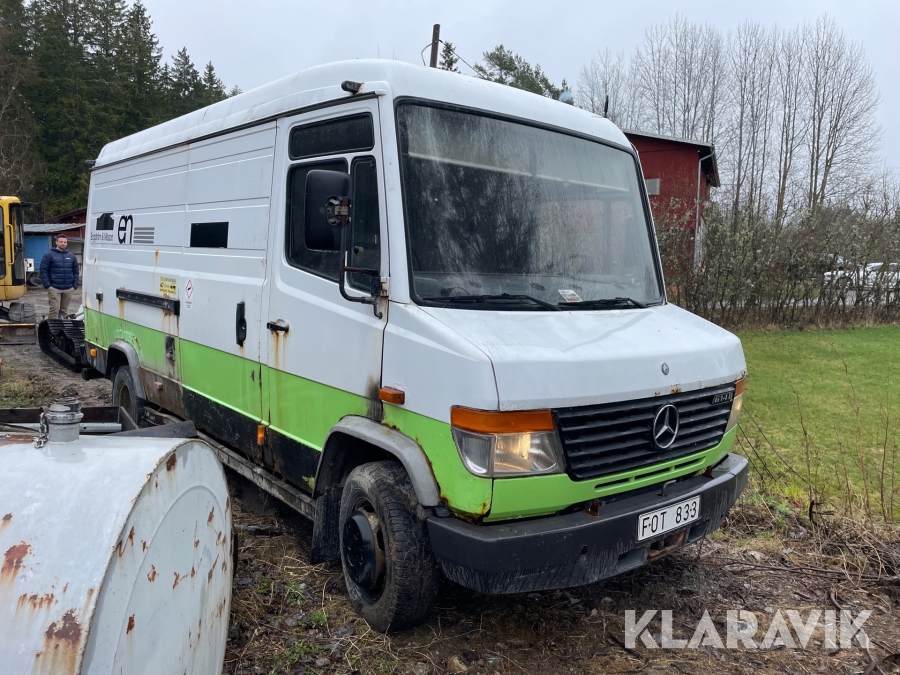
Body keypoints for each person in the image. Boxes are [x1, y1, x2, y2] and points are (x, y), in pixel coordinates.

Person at [39, 234, 79, 319]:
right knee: (54, 310)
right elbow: (43, 271)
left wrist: (74, 285)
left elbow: (76, 271)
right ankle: (52, 330)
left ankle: (62, 329)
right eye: (61, 242)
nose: (63, 243)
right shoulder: (49, 255)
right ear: (56, 242)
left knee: (63, 312)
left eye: (65, 242)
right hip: (54, 288)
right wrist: (48, 285)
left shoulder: (71, 256)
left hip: (68, 288)